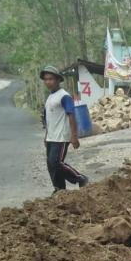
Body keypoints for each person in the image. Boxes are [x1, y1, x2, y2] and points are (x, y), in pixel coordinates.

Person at [40, 65, 88, 194]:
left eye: (50, 79)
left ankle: (80, 179)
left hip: (61, 136)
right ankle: (59, 190)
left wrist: (74, 136)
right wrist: (46, 136)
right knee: (51, 166)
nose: (48, 82)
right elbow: (49, 119)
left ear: (57, 80)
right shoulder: (50, 97)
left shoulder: (64, 96)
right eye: (46, 79)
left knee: (56, 162)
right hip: (51, 136)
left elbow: (71, 115)